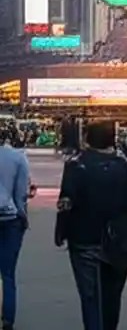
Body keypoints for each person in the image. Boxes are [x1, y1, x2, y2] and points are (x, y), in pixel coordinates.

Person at [55, 120, 127, 330]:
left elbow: (66, 202)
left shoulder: (76, 165)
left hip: (84, 239)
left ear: (87, 139)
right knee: (112, 296)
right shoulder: (125, 166)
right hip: (120, 241)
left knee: (90, 296)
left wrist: (61, 232)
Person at [0, 128, 29, 330]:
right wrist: (23, 214)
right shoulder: (17, 158)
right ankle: (7, 320)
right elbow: (21, 194)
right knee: (8, 274)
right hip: (9, 218)